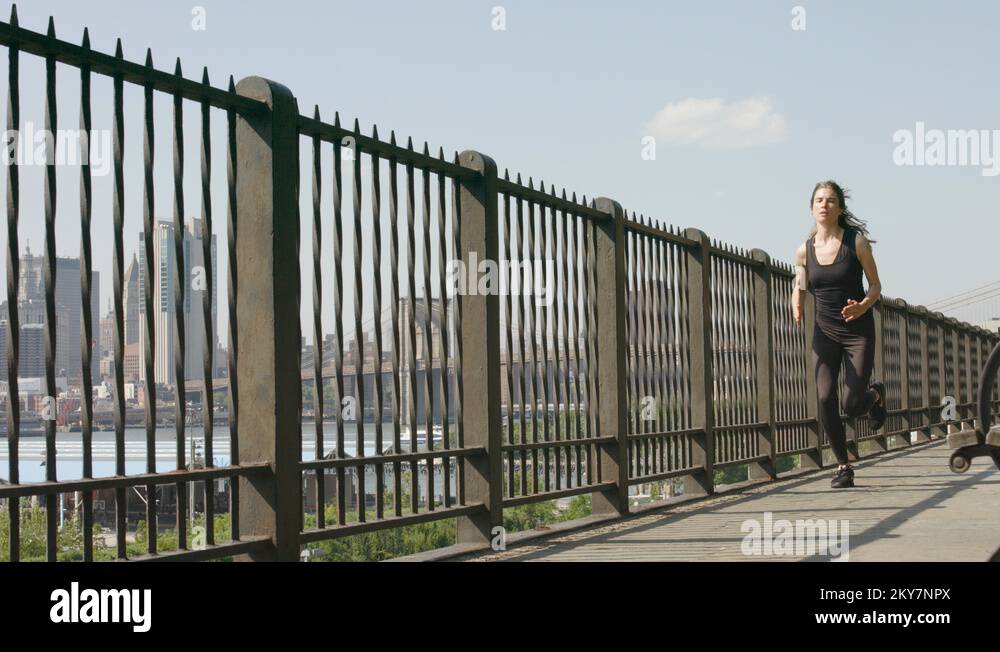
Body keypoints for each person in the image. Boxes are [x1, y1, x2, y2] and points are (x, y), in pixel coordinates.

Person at [792, 181, 887, 489]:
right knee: (823, 396)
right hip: (824, 332)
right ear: (811, 208)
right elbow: (801, 283)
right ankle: (843, 466)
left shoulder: (856, 243)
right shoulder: (804, 250)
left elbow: (876, 286)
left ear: (840, 209)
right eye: (819, 200)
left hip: (857, 332)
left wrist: (862, 306)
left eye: (831, 200)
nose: (824, 205)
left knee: (852, 404)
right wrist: (797, 303)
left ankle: (874, 396)